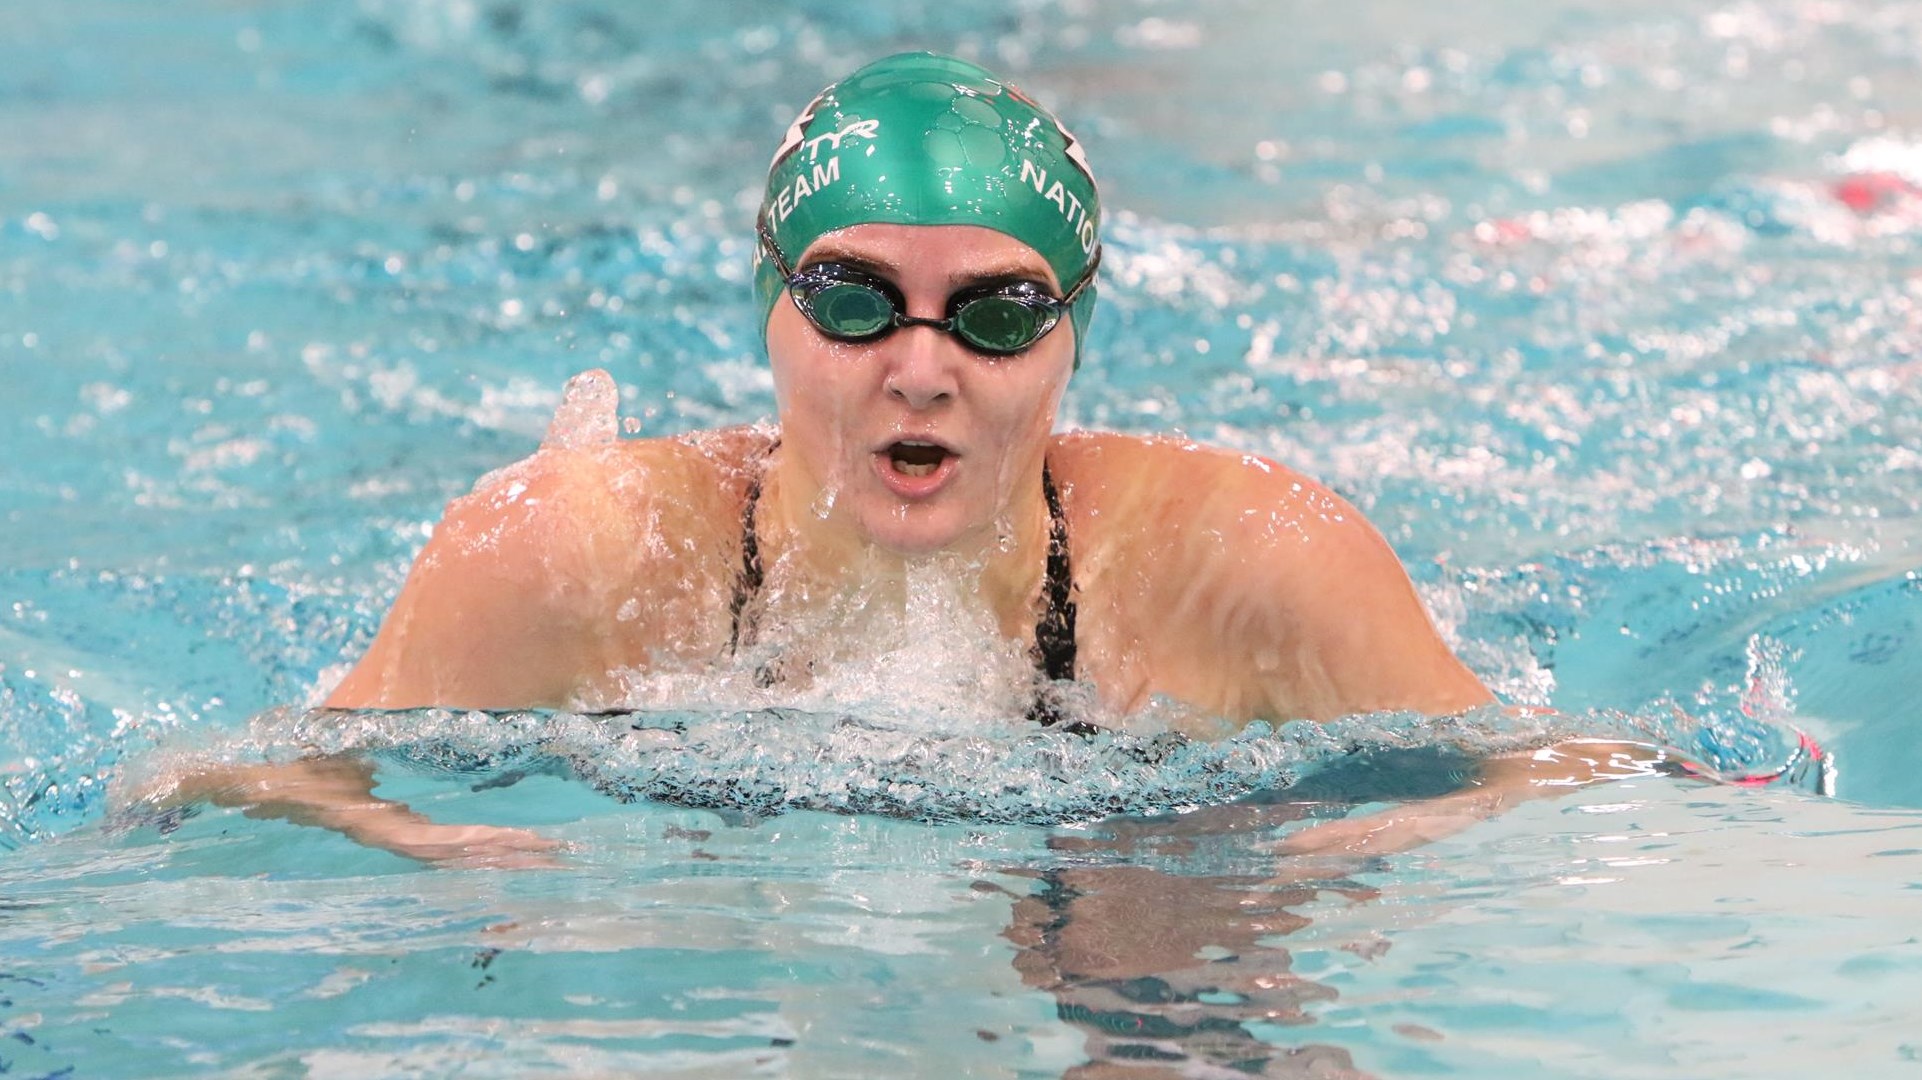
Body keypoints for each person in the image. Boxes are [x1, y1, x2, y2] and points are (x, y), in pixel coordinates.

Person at [158, 52, 1646, 863]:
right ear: (772, 315)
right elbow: (212, 783)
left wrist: (1383, 849)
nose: (918, 368)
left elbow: (1580, 775)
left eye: (996, 313)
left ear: (1071, 334)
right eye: (854, 300)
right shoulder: (578, 553)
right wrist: (439, 856)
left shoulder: (1242, 564)